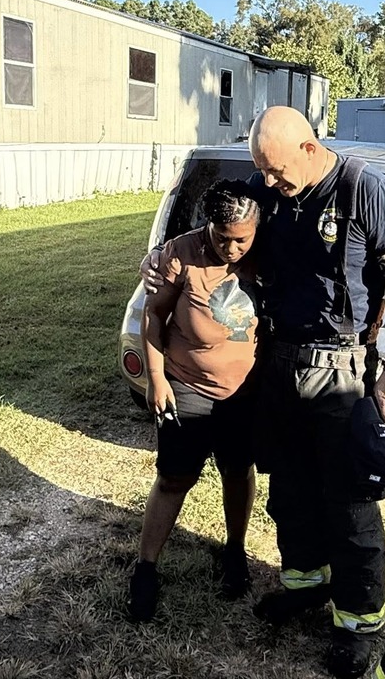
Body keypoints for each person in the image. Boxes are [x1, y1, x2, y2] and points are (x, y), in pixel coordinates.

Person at [144, 105, 385, 678]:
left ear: (309, 146)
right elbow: (220, 219)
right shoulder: (269, 185)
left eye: (274, 171)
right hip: (279, 363)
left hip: (341, 370)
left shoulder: (365, 192)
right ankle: (305, 583)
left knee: (349, 503)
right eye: (261, 172)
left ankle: (358, 622)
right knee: (290, 488)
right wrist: (162, 257)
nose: (266, 184)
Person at [129, 180, 262, 622]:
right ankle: (146, 568)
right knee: (173, 477)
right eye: (223, 238)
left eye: (242, 238)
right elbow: (153, 316)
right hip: (186, 386)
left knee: (237, 471)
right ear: (209, 226)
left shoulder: (269, 250)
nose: (232, 248)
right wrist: (156, 379)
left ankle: (236, 552)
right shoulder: (181, 254)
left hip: (243, 393)